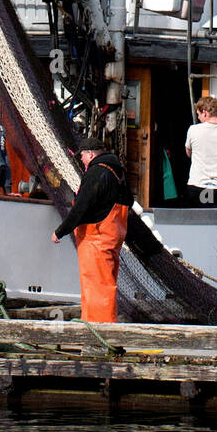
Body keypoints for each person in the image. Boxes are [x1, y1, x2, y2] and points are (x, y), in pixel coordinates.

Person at [51, 135, 132, 323]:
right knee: (104, 283)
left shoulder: (96, 173)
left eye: (82, 156)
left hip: (96, 238)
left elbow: (81, 206)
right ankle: (93, 325)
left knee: (97, 286)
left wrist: (60, 231)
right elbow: (128, 201)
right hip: (113, 236)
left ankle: (99, 332)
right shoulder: (117, 172)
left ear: (90, 154)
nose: (81, 159)